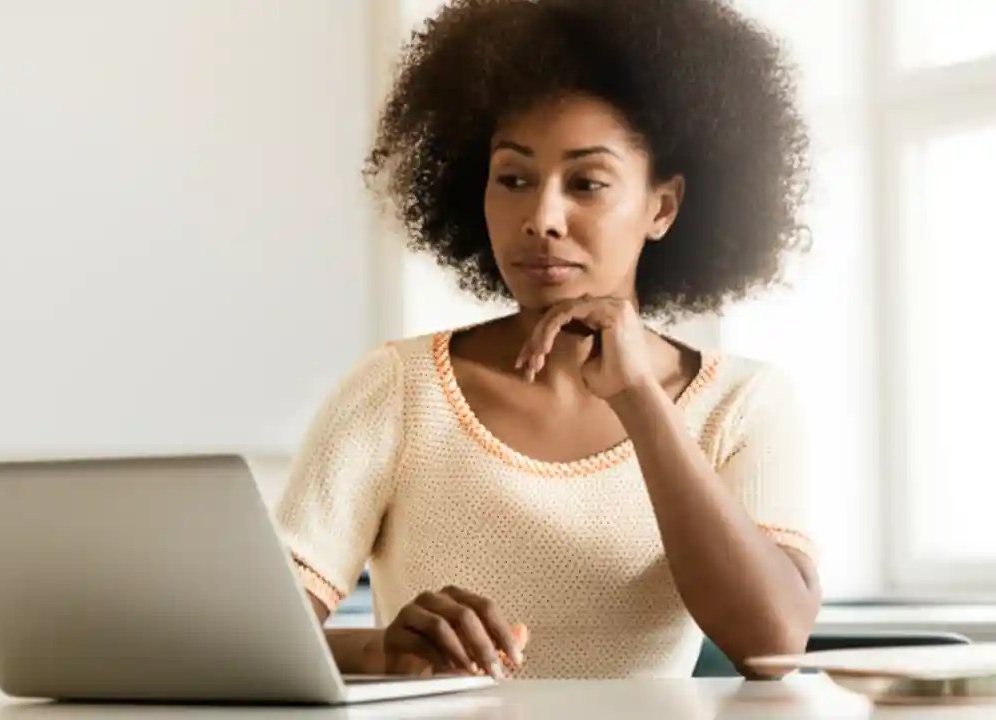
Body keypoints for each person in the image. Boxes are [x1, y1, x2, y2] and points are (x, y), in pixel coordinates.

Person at [274, 0, 819, 680]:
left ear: (663, 207)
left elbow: (772, 644)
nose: (542, 217)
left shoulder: (743, 403)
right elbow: (251, 638)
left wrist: (640, 401)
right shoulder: (396, 390)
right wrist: (379, 651)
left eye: (587, 183)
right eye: (513, 179)